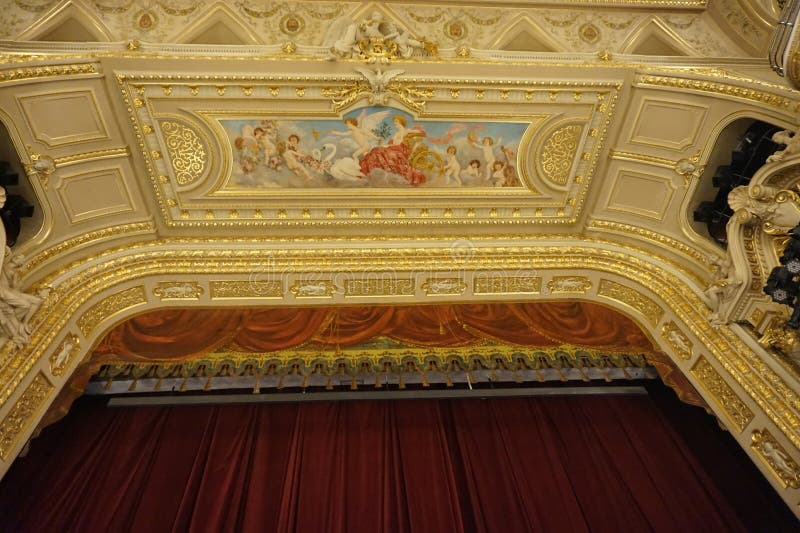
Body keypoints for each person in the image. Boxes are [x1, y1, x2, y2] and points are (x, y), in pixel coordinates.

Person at [359, 115, 426, 186]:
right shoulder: (396, 133)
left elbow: (421, 132)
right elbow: (392, 143)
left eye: (396, 121)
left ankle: (377, 172)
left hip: (400, 150)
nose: (395, 123)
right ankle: (370, 173)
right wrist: (385, 145)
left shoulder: (406, 130)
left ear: (401, 122)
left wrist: (418, 130)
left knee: (378, 151)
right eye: (394, 122)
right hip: (393, 148)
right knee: (375, 150)